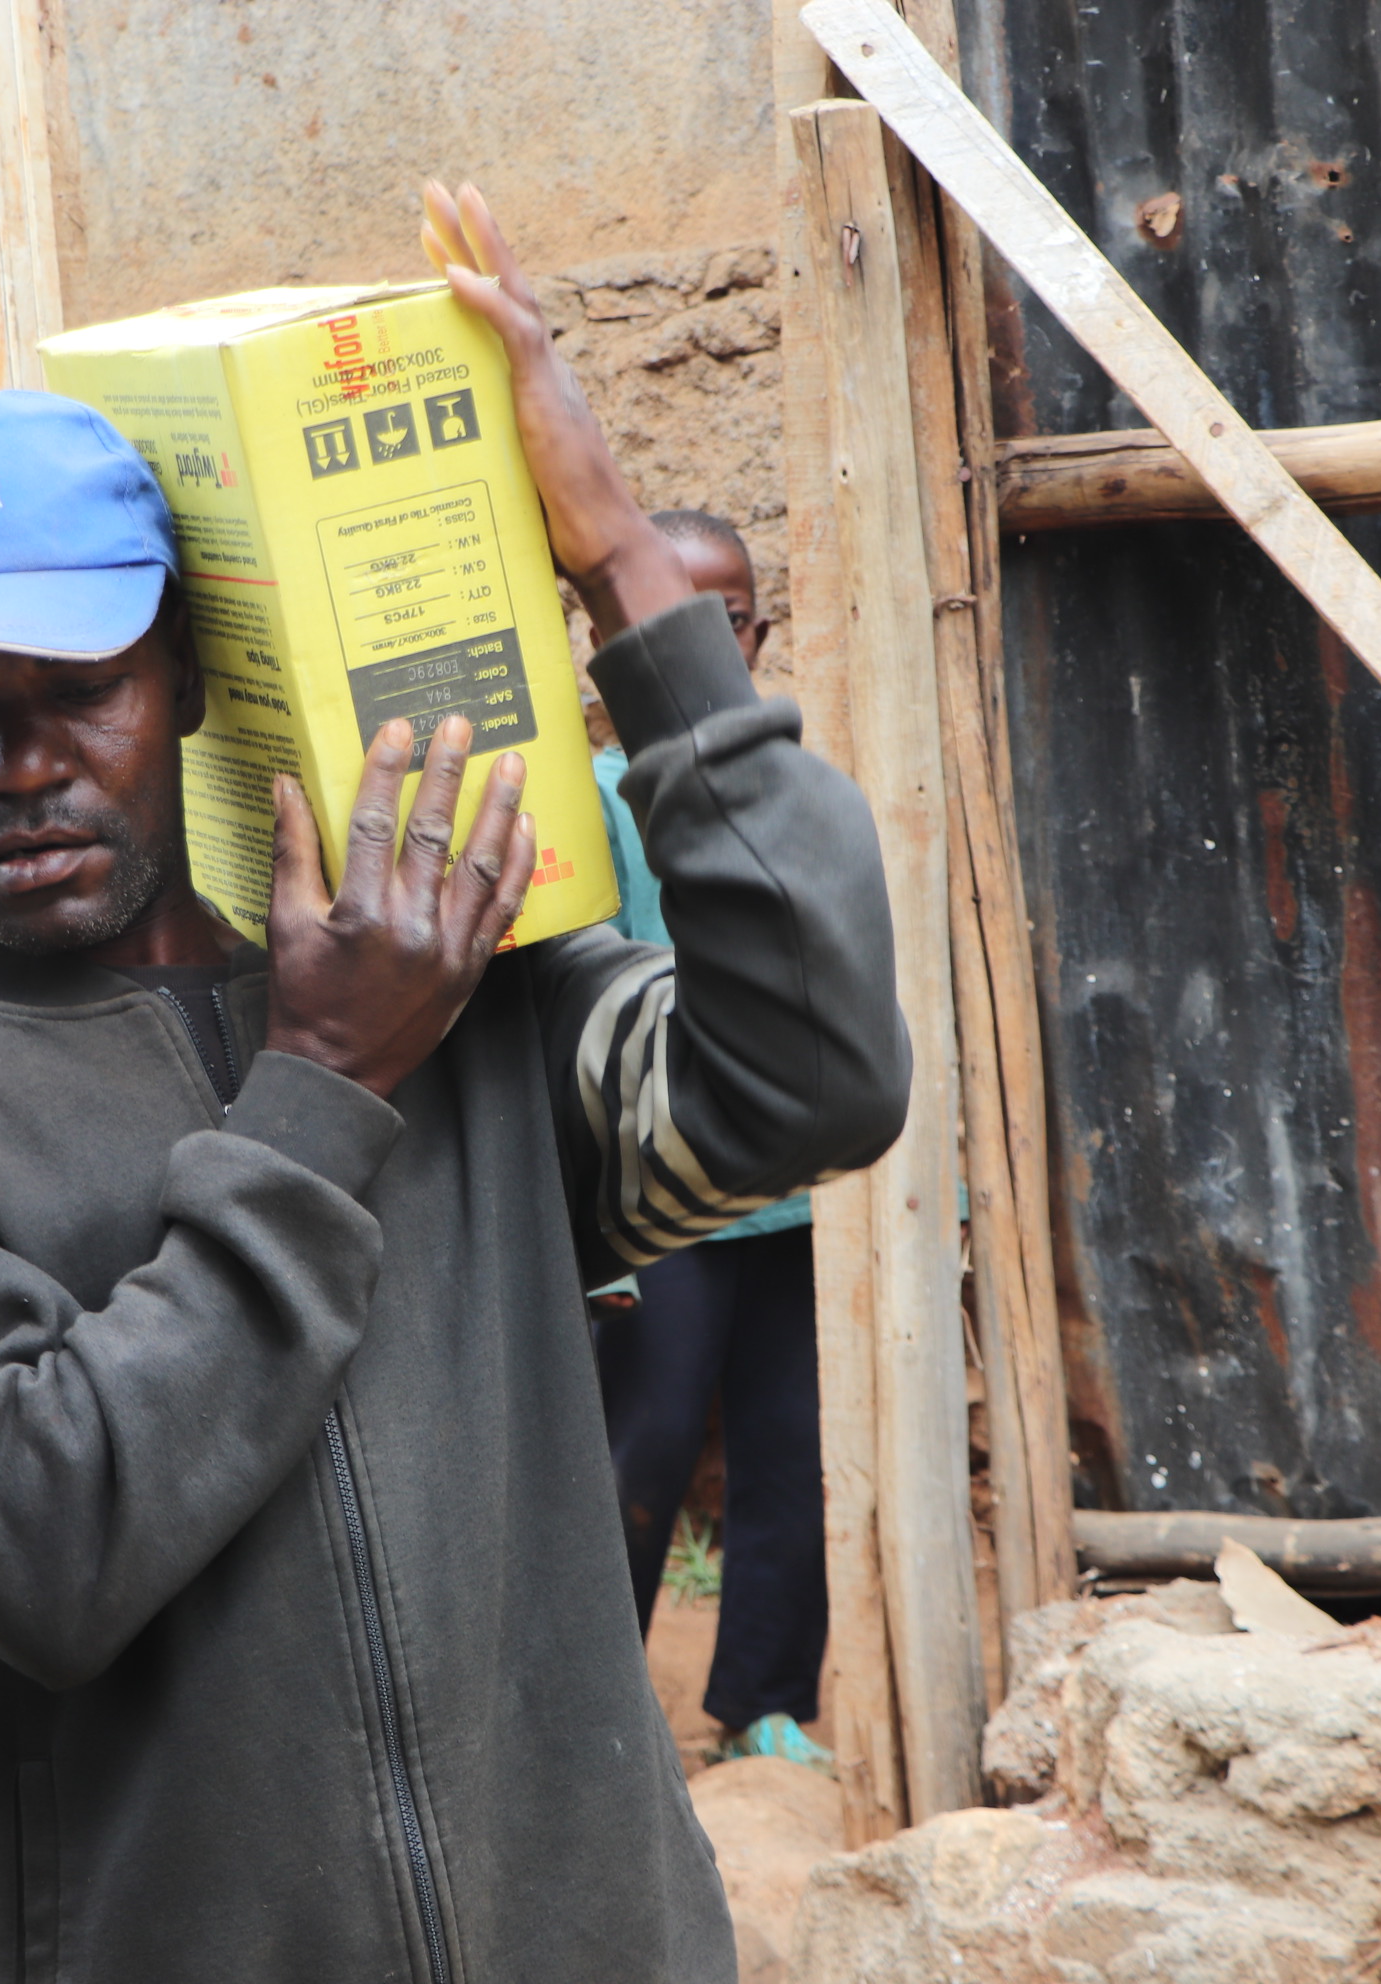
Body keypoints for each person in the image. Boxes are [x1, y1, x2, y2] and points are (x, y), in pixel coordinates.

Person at [0, 183, 909, 1984]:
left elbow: (815, 1074)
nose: (19, 765)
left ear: (186, 665)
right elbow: (44, 1539)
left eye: (76, 686)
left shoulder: (471, 1007)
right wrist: (324, 1080)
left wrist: (621, 569)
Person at [587, 512, 828, 1771]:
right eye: (655, 621)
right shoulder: (598, 801)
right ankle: (605, 1721)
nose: (695, 643)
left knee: (791, 1447)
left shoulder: (794, 783)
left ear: (760, 629)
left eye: (721, 617)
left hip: (792, 1192)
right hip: (663, 1194)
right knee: (648, 1443)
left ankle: (767, 1702)